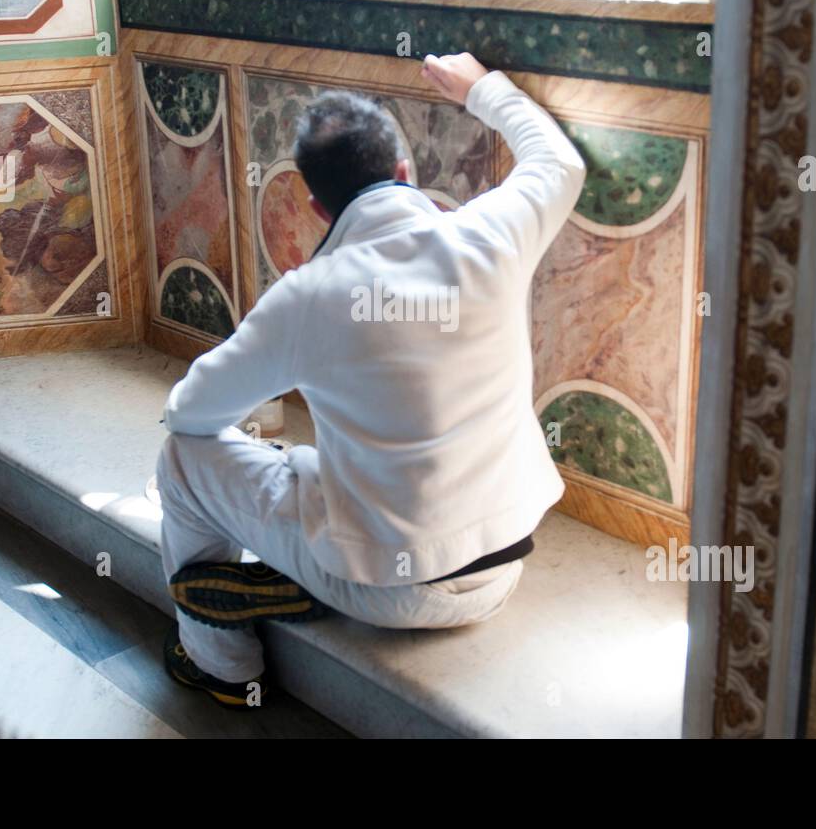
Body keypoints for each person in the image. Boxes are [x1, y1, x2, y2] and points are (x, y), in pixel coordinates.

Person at [156, 52, 586, 707]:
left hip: (387, 592)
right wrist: (481, 90)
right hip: (501, 568)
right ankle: (306, 567)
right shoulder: (493, 234)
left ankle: (221, 665)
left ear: (314, 206)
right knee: (315, 470)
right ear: (404, 172)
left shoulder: (308, 296)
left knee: (182, 461)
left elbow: (191, 415)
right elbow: (560, 163)